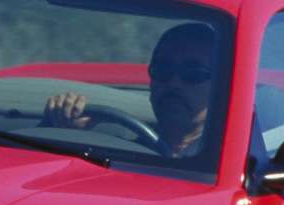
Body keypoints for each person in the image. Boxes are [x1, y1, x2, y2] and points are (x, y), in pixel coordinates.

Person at [41, 22, 214, 157]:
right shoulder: (115, 152)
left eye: (194, 73)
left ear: (221, 87)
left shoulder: (231, 164)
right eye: (163, 69)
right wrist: (65, 129)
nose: (174, 82)